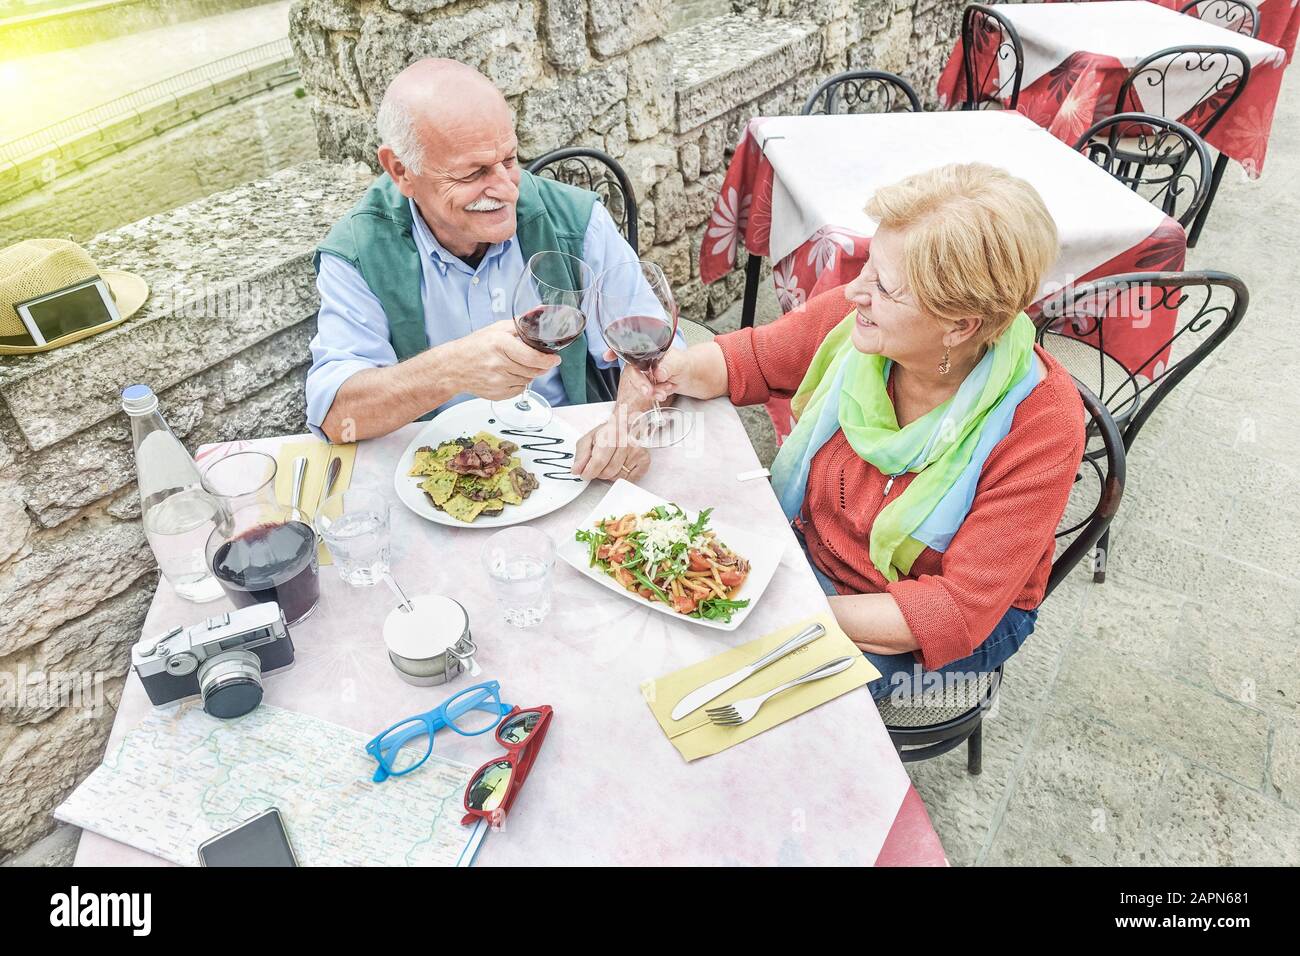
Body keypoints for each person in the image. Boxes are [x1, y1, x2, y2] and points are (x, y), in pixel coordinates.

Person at [638, 163, 1086, 701]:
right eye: (867, 265)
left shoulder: (1041, 423)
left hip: (931, 620)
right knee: (669, 613)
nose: (854, 292)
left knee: (745, 700)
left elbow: (956, 610)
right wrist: (668, 370)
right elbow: (750, 360)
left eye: (884, 286)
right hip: (814, 557)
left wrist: (779, 611)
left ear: (960, 324)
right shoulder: (858, 327)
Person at [305, 58, 665, 481]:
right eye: (473, 172)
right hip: (433, 476)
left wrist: (627, 424)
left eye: (509, 160)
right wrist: (451, 368)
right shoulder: (356, 251)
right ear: (401, 170)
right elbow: (337, 415)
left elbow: (655, 353)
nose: (506, 188)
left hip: (569, 463)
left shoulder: (576, 219)